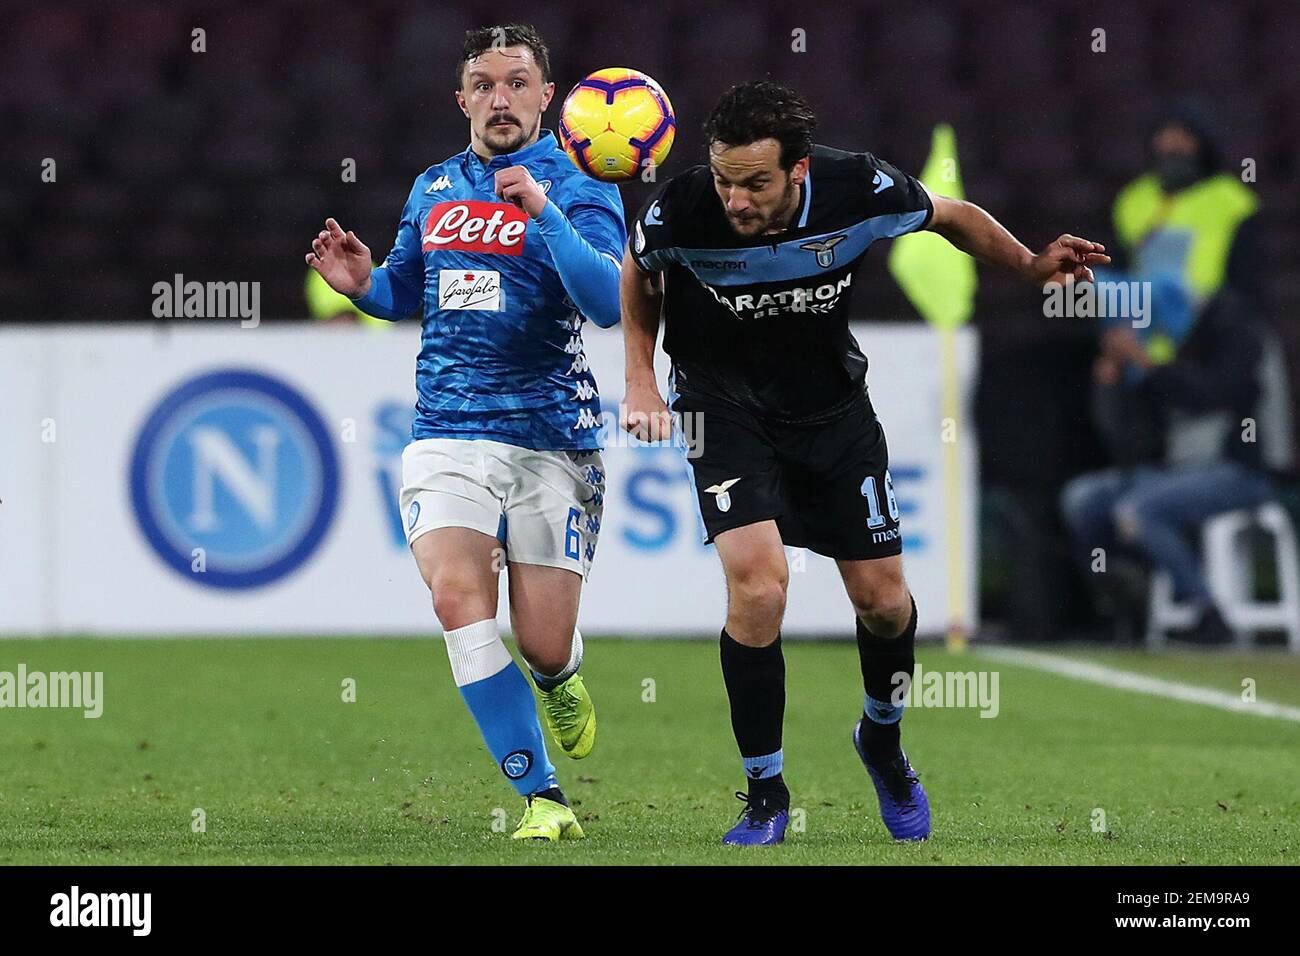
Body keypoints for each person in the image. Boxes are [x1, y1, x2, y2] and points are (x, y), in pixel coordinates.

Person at [620, 80, 1109, 846]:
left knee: (883, 602)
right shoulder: (680, 209)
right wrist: (642, 380)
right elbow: (641, 276)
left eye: (756, 183)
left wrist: (1027, 264)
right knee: (758, 586)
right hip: (722, 410)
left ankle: (881, 739)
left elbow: (953, 217)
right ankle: (764, 794)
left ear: (799, 173)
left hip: (833, 414)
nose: (737, 201)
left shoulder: (859, 186)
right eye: (725, 180)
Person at [305, 24, 625, 842]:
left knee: (546, 645)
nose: (500, 98)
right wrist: (362, 286)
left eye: (517, 82)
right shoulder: (433, 187)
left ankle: (558, 679)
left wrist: (545, 212)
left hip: (555, 435)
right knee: (456, 598)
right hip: (449, 429)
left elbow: (608, 302)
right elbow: (403, 289)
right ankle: (544, 799)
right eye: (483, 84)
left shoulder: (584, 179)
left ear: (547, 96)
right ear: (462, 100)